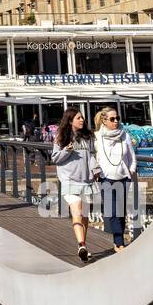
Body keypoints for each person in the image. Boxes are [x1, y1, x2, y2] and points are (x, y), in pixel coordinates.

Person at [51, 108, 100, 263]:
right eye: (79, 118)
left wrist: (96, 169)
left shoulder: (88, 137)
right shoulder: (61, 137)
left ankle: (83, 246)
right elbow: (55, 158)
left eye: (82, 118)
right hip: (69, 180)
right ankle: (81, 244)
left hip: (86, 180)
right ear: (70, 120)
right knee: (77, 210)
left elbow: (91, 155)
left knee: (84, 215)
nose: (82, 120)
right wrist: (66, 150)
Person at [94, 108, 137, 254]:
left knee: (121, 211)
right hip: (106, 178)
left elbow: (132, 157)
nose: (116, 121)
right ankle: (119, 242)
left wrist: (131, 170)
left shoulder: (124, 135)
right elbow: (93, 156)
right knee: (112, 211)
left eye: (117, 118)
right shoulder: (97, 137)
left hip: (123, 178)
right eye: (112, 119)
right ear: (104, 121)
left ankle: (119, 240)